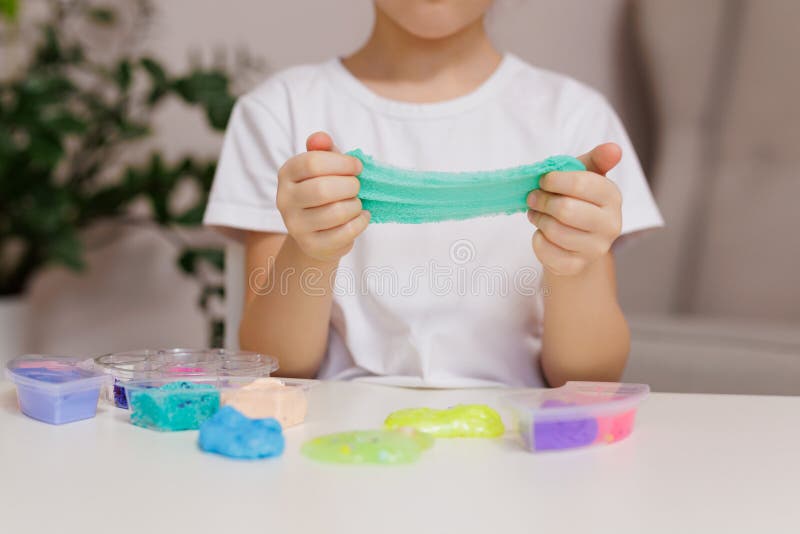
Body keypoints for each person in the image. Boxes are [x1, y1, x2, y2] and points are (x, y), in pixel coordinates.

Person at [203, 0, 663, 387]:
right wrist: (310, 252)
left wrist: (573, 266)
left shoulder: (574, 118)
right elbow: (273, 364)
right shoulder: (280, 112)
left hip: (520, 444)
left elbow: (589, 378)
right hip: (334, 444)